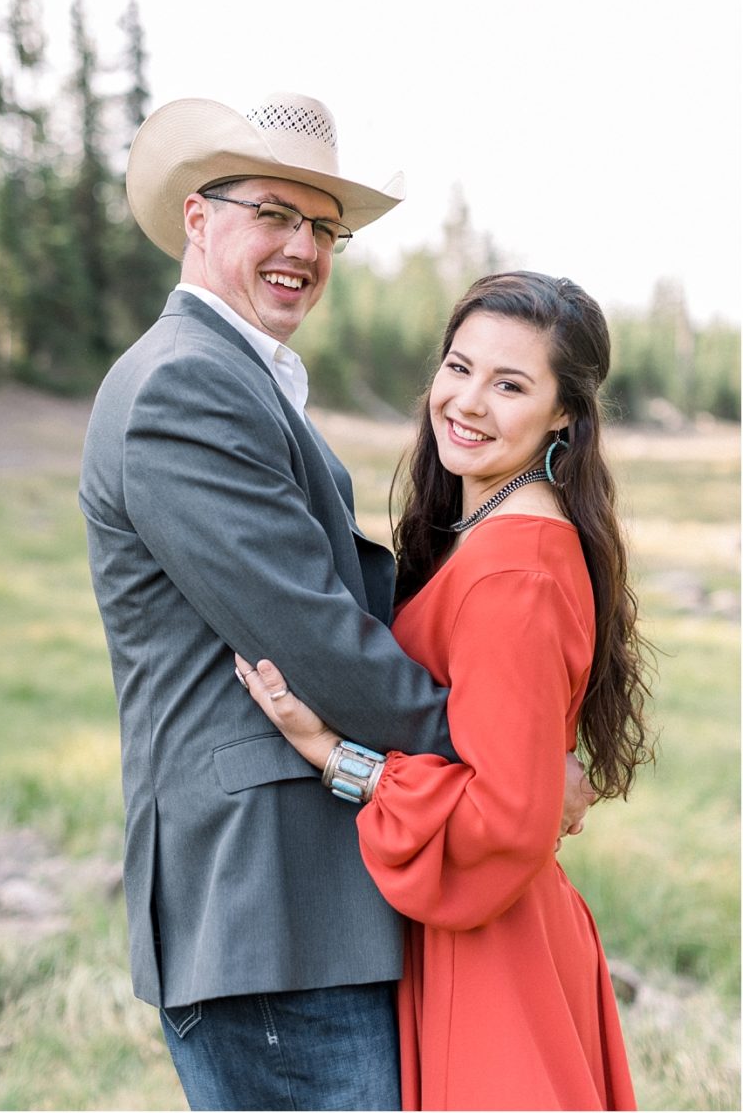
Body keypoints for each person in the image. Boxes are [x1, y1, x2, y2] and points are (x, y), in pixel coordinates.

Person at [79, 92, 593, 1113]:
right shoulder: (186, 386)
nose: (302, 248)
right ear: (199, 217)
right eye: (273, 212)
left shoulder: (239, 377)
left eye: (323, 228)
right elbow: (312, 632)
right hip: (270, 909)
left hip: (298, 909)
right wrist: (502, 757)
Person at [236, 271, 656, 1111]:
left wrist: (331, 754)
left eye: (510, 384)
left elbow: (505, 817)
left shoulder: (517, 570)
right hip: (474, 930)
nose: (467, 402)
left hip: (496, 946)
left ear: (564, 414)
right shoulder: (491, 532)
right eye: (458, 367)